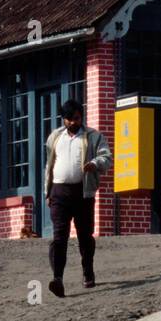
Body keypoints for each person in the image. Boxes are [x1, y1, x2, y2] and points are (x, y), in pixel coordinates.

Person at [44, 101, 112, 297]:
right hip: (59, 192)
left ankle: (87, 271)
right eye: (69, 119)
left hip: (83, 193)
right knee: (59, 237)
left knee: (85, 235)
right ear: (63, 119)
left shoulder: (93, 136)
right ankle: (57, 279)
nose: (73, 122)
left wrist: (94, 163)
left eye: (77, 118)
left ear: (81, 117)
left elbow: (107, 157)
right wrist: (47, 192)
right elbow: (49, 166)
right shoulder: (55, 137)